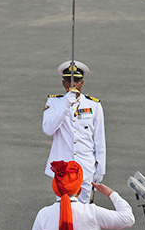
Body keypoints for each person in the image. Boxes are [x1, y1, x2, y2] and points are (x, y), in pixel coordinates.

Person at [43, 61, 106, 204]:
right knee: (63, 209)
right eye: (68, 80)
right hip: (63, 169)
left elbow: (99, 139)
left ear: (82, 83)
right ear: (63, 83)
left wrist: (100, 168)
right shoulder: (54, 103)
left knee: (84, 211)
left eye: (76, 80)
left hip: (85, 167)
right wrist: (65, 104)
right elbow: (48, 129)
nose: (72, 84)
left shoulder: (93, 105)